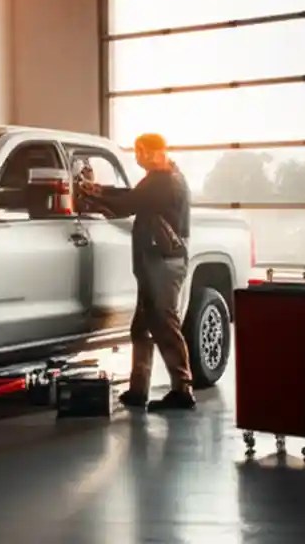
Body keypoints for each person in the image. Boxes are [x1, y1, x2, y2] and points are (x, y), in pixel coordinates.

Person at [78, 133, 195, 411]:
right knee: (142, 327)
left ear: (154, 152)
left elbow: (127, 203)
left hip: (163, 263)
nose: (138, 159)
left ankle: (182, 389)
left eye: (141, 153)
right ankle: (138, 389)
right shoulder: (165, 176)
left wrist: (92, 193)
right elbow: (132, 197)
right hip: (157, 261)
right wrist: (97, 191)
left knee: (164, 323)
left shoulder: (164, 182)